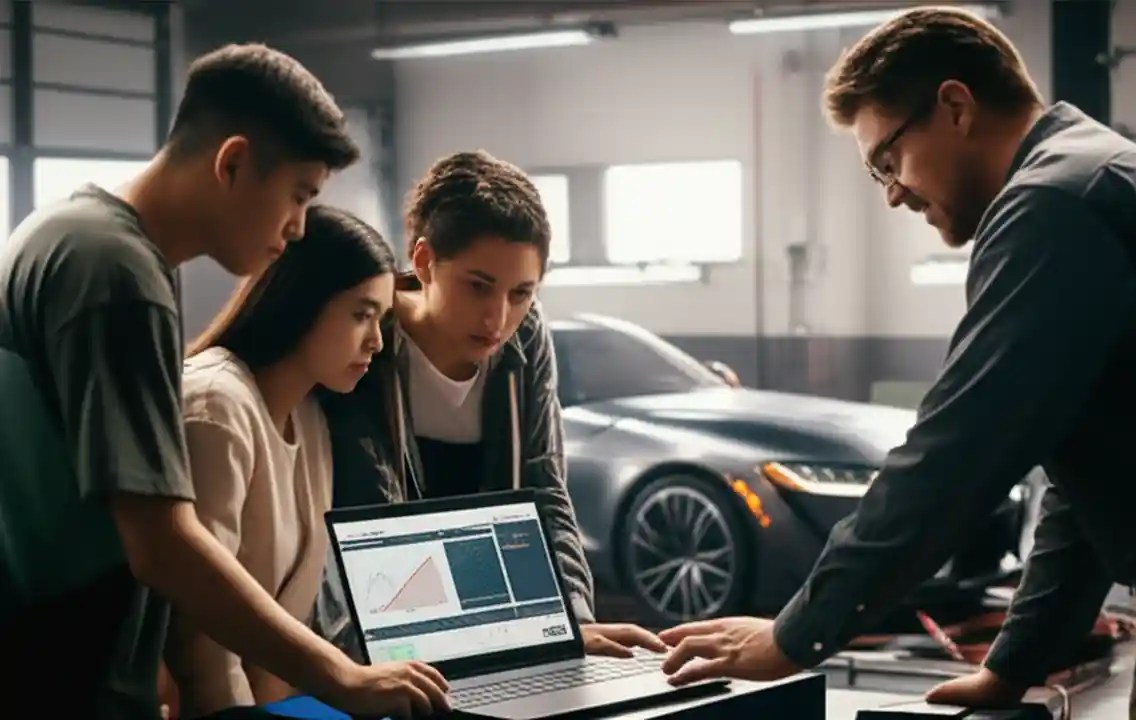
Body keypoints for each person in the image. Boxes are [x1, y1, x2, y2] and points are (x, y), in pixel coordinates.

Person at [656, 7, 1136, 719]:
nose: (892, 192)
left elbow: (958, 451)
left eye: (887, 161)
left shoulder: (1052, 204)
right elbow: (1090, 476)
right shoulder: (1086, 175)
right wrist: (1013, 666)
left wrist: (797, 634)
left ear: (955, 107)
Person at [0, 43, 447, 719]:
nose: (297, 227)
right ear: (232, 162)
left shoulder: (67, 233)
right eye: (298, 195)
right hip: (63, 683)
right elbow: (161, 542)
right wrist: (341, 677)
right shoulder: (118, 275)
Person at [317, 150, 666, 660]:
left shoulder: (526, 335)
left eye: (521, 293)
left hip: (497, 629)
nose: (497, 318)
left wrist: (570, 626)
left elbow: (545, 490)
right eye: (478, 287)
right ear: (423, 261)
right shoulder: (366, 340)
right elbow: (355, 520)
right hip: (380, 642)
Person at [164, 205, 404, 716]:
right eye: (361, 314)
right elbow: (201, 639)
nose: (377, 341)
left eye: (381, 319)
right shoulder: (215, 406)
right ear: (303, 299)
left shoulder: (310, 414)